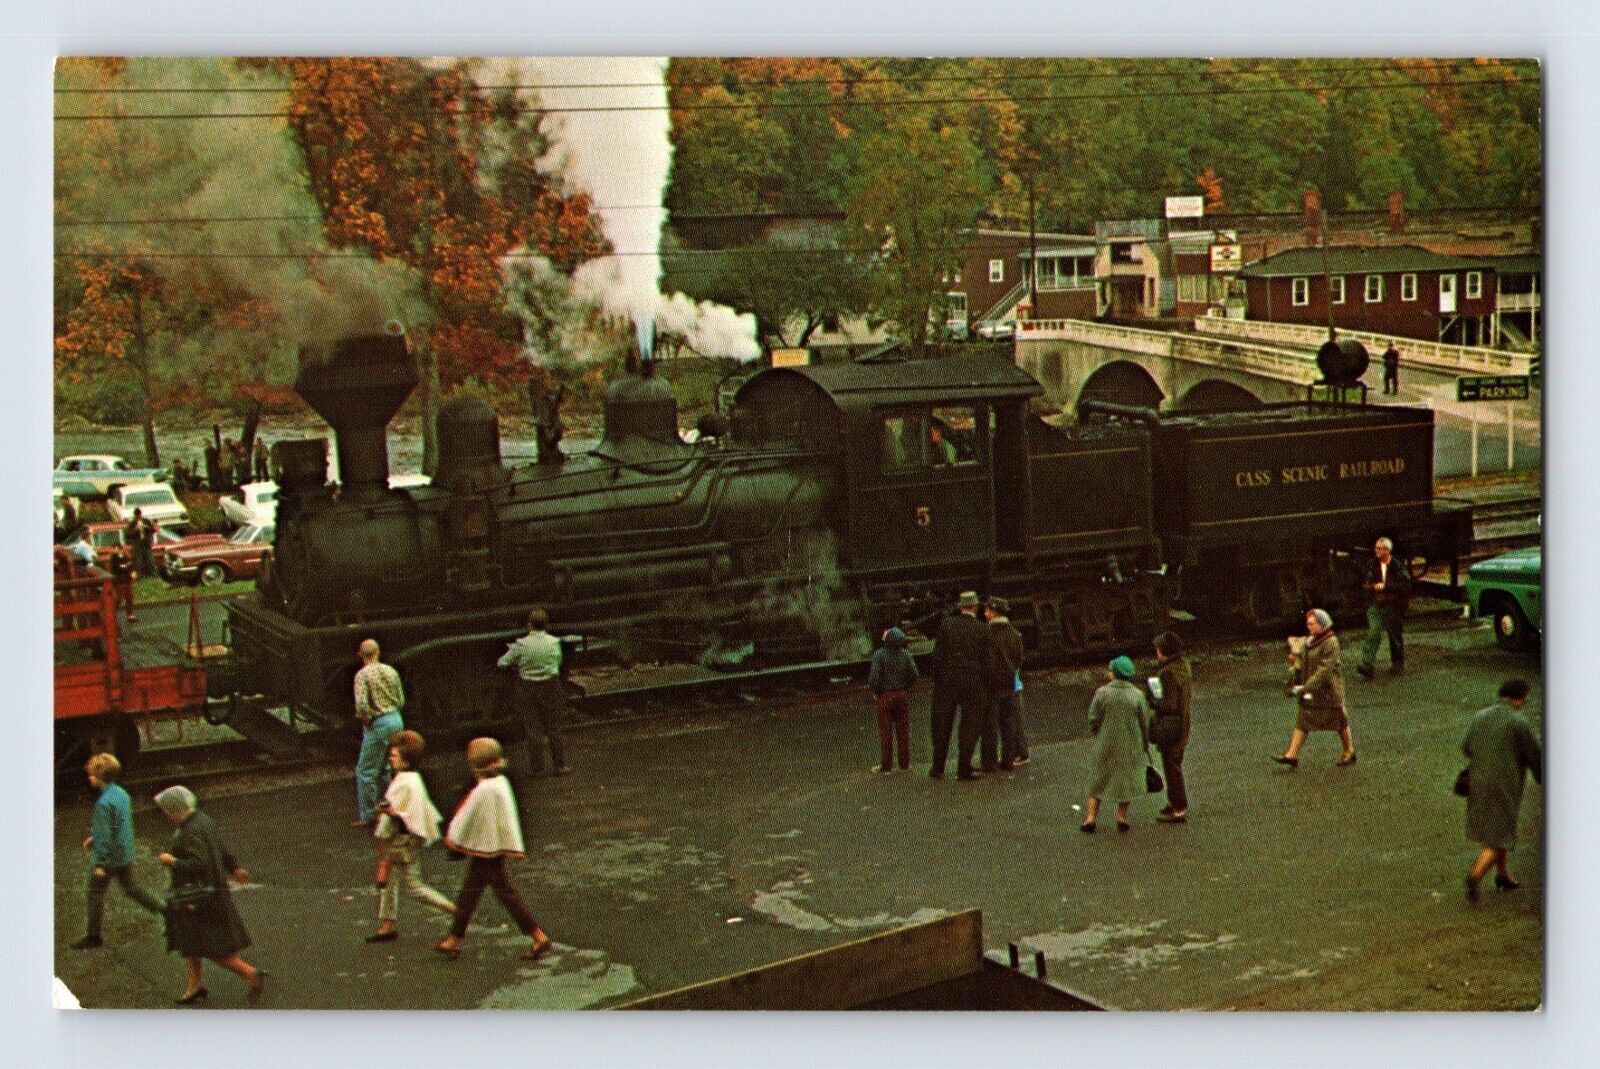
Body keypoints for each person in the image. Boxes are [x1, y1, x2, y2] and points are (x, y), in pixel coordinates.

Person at [435, 738, 553, 962]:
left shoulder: (483, 790)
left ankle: (538, 936)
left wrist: (453, 836)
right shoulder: (500, 783)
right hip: (492, 847)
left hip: (487, 849)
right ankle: (454, 938)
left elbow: (467, 817)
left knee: (500, 893)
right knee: (474, 892)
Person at [153, 785, 265, 1005]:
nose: (166, 815)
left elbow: (199, 864)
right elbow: (219, 848)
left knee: (210, 946)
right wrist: (234, 867)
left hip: (197, 897)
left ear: (176, 809)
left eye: (167, 810)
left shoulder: (189, 831)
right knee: (190, 941)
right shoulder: (203, 820)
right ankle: (194, 986)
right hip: (210, 892)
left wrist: (172, 861)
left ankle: (249, 972)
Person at [365, 729, 455, 942]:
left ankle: (453, 909)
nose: (390, 758)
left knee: (413, 886)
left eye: (394, 755)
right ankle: (386, 924)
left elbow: (402, 815)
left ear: (405, 759)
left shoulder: (405, 782)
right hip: (405, 839)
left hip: (402, 840)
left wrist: (387, 812)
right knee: (391, 881)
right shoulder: (411, 779)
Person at [71, 754, 165, 949]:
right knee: (132, 888)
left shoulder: (103, 804)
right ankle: (168, 912)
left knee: (94, 893)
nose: (89, 777)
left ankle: (93, 937)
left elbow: (105, 837)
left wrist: (99, 864)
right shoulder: (121, 794)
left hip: (110, 859)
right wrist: (95, 837)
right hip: (125, 852)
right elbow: (117, 825)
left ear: (100, 777)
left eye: (92, 774)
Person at [1462, 679, 1542, 901]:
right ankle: (1475, 875)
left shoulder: (1480, 716)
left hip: (1478, 780)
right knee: (1501, 835)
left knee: (1497, 828)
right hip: (1505, 786)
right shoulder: (1519, 723)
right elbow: (1535, 756)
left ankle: (1503, 874)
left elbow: (1466, 747)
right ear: (1518, 699)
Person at [1275, 608, 1356, 768]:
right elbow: (1303, 661)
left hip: (1328, 691)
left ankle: (1349, 751)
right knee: (1303, 720)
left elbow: (1324, 670)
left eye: (1312, 624)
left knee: (1339, 721)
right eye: (1308, 624)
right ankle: (1292, 754)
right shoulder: (1310, 641)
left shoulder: (1331, 642)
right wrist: (1294, 662)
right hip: (1313, 691)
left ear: (1322, 624)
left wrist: (1305, 687)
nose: (1309, 626)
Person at [497, 609, 571, 778]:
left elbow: (502, 663)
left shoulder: (521, 645)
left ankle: (538, 769)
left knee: (533, 729)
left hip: (527, 688)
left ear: (529, 625)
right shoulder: (554, 642)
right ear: (546, 625)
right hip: (551, 686)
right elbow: (558, 661)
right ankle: (559, 766)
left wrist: (518, 664)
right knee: (554, 727)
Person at [1082, 656, 1152, 833]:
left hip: (1105, 744)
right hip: (1130, 746)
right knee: (1126, 782)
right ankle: (1121, 817)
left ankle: (1090, 818)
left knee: (1097, 781)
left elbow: (1093, 719)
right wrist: (1145, 745)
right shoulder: (1137, 695)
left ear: (1114, 673)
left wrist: (1098, 732)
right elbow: (1144, 723)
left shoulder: (1102, 693)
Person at [928, 591, 993, 780]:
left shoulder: (947, 625)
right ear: (975, 607)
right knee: (969, 727)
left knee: (942, 726)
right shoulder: (983, 629)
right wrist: (984, 683)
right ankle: (964, 769)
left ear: (960, 606)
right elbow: (988, 662)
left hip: (947, 683)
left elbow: (937, 657)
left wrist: (938, 681)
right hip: (973, 684)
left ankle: (937, 768)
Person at [352, 638, 406, 828]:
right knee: (385, 766)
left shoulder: (362, 675)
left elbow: (362, 705)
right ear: (378, 652)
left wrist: (367, 721)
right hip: (396, 719)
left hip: (379, 722)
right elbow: (401, 699)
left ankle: (368, 815)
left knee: (365, 770)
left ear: (361, 655)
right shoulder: (391, 671)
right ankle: (387, 807)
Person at [1148, 631, 1193, 823]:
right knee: (1174, 763)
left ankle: (1178, 808)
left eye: (1158, 650)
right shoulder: (1183, 665)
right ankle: (1175, 801)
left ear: (1164, 651)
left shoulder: (1167, 673)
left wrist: (1152, 698)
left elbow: (1168, 705)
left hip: (1171, 724)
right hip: (1182, 721)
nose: (1156, 653)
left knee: (1171, 765)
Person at [984, 597, 1030, 771]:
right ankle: (1009, 758)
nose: (985, 613)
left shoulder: (988, 633)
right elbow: (1019, 659)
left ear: (993, 612)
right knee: (1010, 721)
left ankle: (991, 761)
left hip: (993, 685)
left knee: (991, 723)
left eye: (987, 610)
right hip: (1011, 683)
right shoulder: (1014, 633)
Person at [1357, 537, 1410, 679]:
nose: (1376, 551)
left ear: (1387, 550)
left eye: (1379, 548)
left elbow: (1405, 585)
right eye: (1376, 548)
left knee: (1394, 633)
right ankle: (1367, 664)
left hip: (1393, 603)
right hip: (1376, 602)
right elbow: (1365, 581)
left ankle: (1397, 662)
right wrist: (1370, 585)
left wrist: (1386, 586)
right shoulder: (1372, 564)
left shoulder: (1397, 566)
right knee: (1374, 631)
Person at [867, 627, 918, 774]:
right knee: (903, 730)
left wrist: (875, 692)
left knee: (886, 731)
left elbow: (874, 677)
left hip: (885, 696)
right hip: (901, 695)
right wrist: (905, 688)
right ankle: (904, 765)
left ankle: (886, 766)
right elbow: (914, 674)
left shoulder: (879, 655)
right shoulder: (906, 654)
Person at [126, 507, 156, 578]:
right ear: (135, 515)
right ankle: (140, 575)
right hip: (138, 544)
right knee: (139, 560)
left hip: (146, 543)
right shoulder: (132, 523)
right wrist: (135, 529)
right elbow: (128, 535)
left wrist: (146, 527)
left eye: (139, 515)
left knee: (149, 559)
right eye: (137, 516)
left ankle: (152, 574)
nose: (138, 517)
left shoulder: (146, 521)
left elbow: (153, 530)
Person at [110, 546, 137, 621]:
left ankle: (130, 615)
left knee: (129, 597)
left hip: (127, 579)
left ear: (120, 549)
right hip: (119, 581)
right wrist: (126, 566)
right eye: (114, 549)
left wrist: (127, 567)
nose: (115, 551)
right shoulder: (113, 558)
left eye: (116, 549)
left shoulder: (125, 556)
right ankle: (111, 615)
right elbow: (117, 569)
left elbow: (131, 565)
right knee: (119, 599)